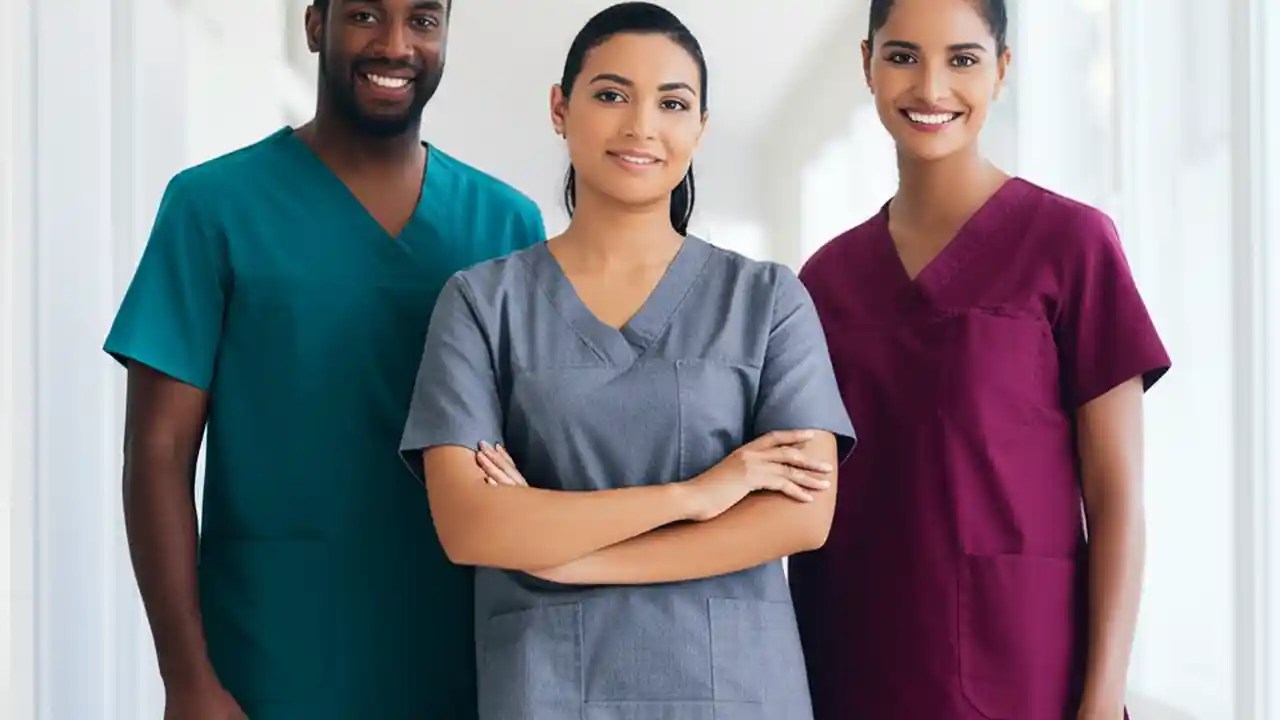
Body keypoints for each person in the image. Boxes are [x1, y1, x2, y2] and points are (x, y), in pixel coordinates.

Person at [397, 3, 856, 718]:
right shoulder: (483, 305)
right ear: (561, 107)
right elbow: (472, 526)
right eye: (611, 94)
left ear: (699, 128)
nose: (641, 125)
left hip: (734, 693)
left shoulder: (768, 300)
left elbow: (800, 517)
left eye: (672, 103)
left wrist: (571, 557)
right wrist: (698, 496)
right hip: (550, 691)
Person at [104, 0, 545, 716]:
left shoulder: (506, 223)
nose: (395, 44)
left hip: (460, 666)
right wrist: (186, 678)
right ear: (316, 25)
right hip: (269, 666)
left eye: (424, 21)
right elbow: (157, 454)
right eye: (366, 14)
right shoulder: (212, 207)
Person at [789, 0, 1171, 718]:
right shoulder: (825, 280)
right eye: (902, 56)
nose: (931, 88)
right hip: (854, 665)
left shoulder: (1072, 245)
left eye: (962, 59)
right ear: (866, 64)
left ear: (1002, 71)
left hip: (1025, 669)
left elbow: (1117, 497)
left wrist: (1103, 697)